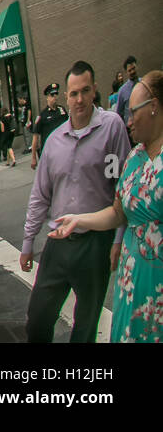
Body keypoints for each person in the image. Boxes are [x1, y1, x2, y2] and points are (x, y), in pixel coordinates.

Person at [21, 61, 132, 343]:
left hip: (95, 243)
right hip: (58, 242)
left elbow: (123, 187)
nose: (79, 99)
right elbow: (40, 195)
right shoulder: (54, 141)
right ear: (66, 97)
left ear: (94, 90)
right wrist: (28, 242)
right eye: (73, 94)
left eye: (84, 91)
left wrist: (118, 239)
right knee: (37, 320)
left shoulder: (111, 127)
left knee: (85, 329)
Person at [51, 71, 163, 342]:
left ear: (154, 107)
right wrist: (79, 220)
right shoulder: (134, 157)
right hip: (132, 279)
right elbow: (117, 212)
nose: (128, 120)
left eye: (133, 111)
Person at [31, 83, 69, 169]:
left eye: (56, 94)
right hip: (49, 154)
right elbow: (35, 137)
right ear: (47, 97)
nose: (55, 97)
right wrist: (33, 158)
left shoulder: (62, 110)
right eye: (52, 95)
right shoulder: (43, 115)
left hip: (63, 150)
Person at [115, 56, 139, 126]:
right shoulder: (122, 91)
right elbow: (118, 113)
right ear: (126, 72)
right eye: (130, 70)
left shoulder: (144, 83)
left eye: (134, 68)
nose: (132, 72)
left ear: (137, 67)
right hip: (131, 127)